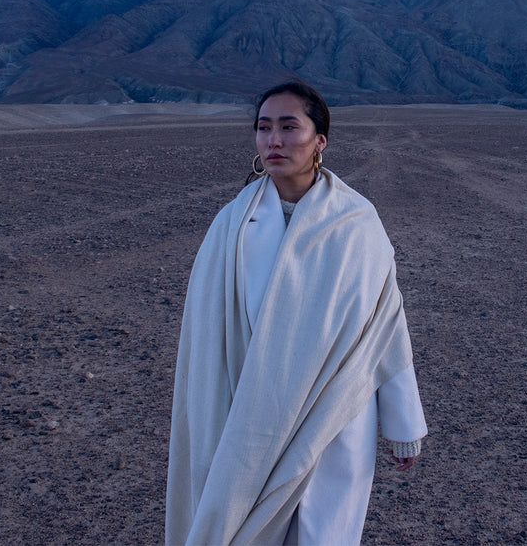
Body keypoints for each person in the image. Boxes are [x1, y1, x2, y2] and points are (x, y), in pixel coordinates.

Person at [165, 80, 427, 546]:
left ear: (319, 141)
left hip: (331, 420)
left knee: (319, 533)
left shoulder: (356, 222)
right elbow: (205, 337)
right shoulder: (231, 225)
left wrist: (403, 425)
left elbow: (387, 323)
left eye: (290, 127)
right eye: (264, 128)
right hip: (246, 420)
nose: (275, 140)